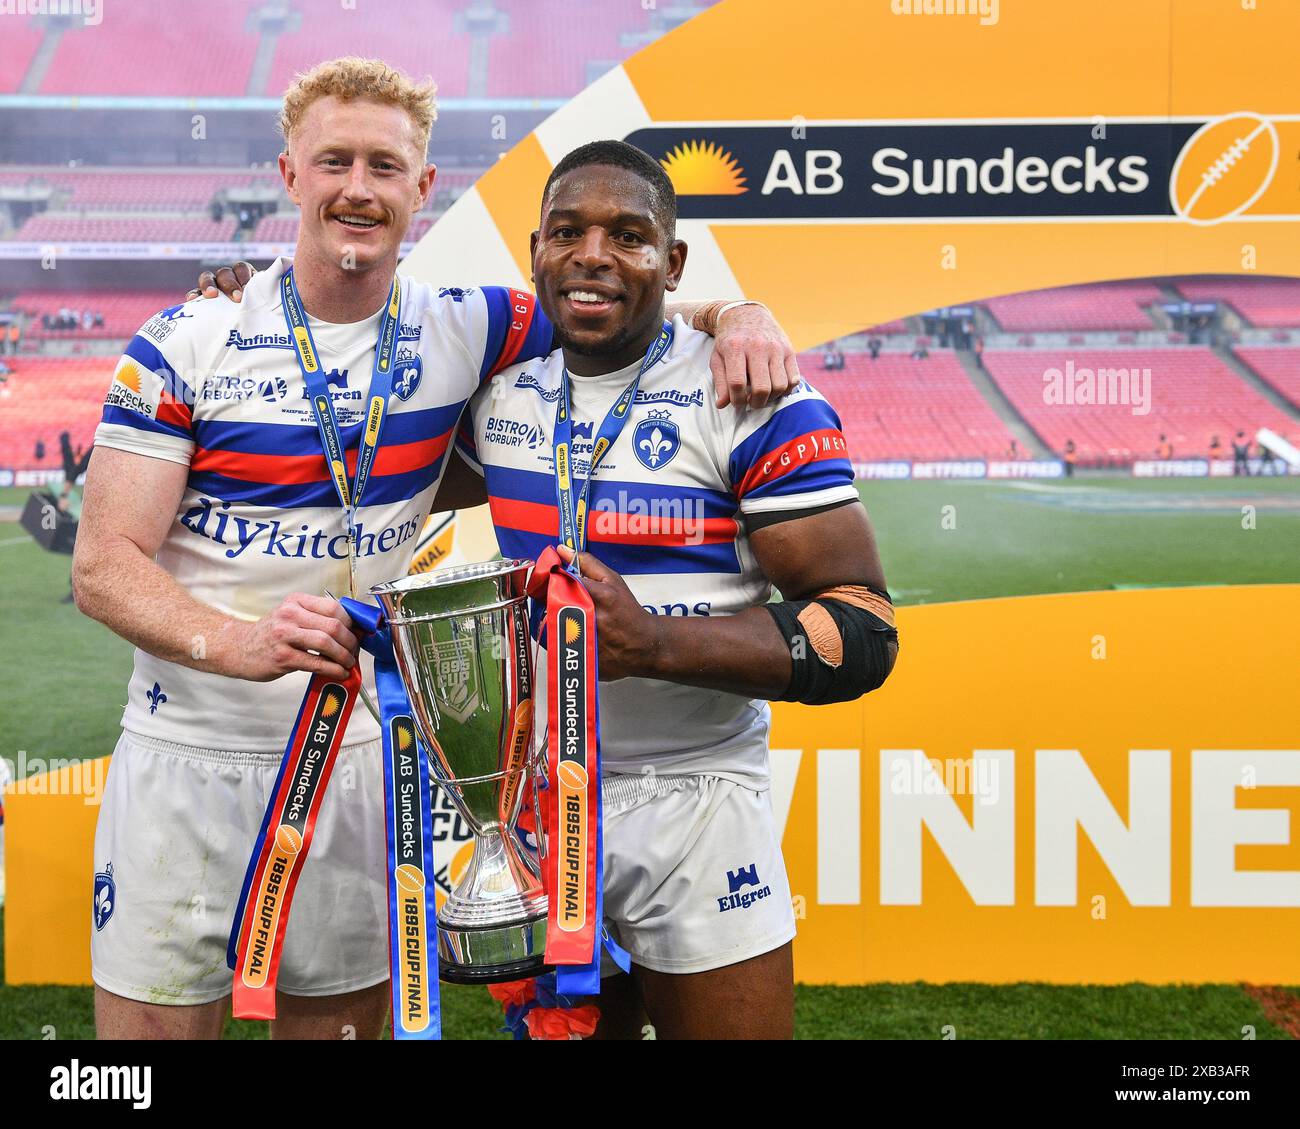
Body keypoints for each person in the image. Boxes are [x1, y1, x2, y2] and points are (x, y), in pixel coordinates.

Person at [75, 58, 795, 1043]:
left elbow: (622, 301)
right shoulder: (184, 341)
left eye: (386, 165)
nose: (358, 188)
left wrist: (740, 312)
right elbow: (103, 565)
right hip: (187, 756)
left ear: (423, 188)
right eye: (334, 160)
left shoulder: (467, 325)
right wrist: (240, 645)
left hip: (364, 753)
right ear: (289, 173)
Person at [446, 140, 897, 1039]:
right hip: (539, 800)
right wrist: (237, 298)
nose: (594, 254)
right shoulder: (497, 397)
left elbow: (865, 628)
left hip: (698, 797)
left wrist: (653, 643)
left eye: (629, 235)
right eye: (567, 231)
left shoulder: (752, 395)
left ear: (674, 259)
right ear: (537, 251)